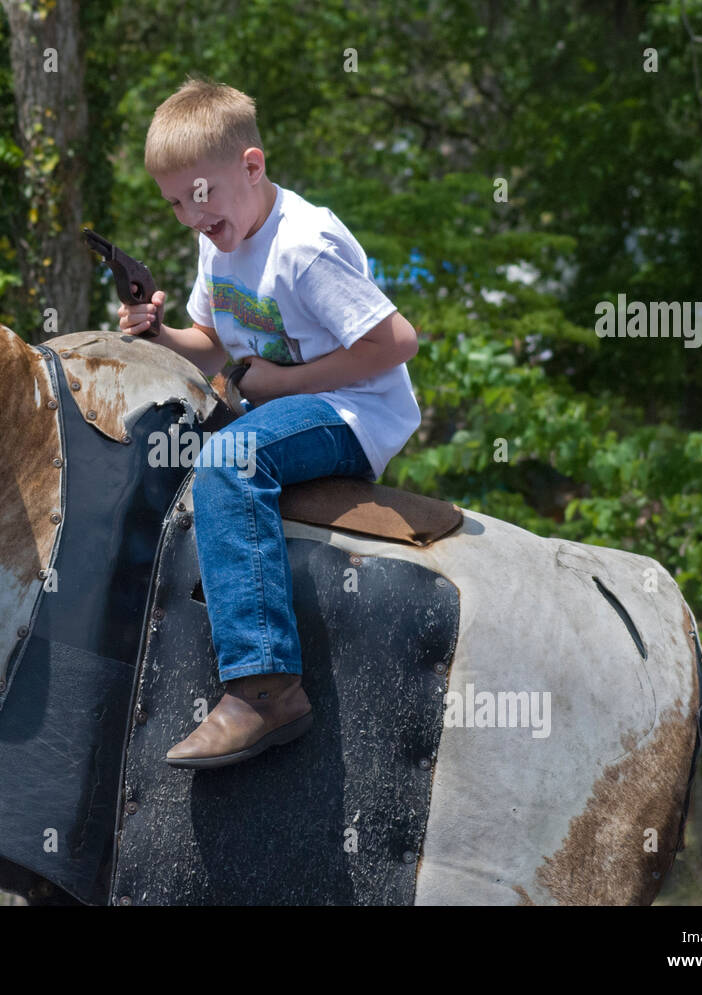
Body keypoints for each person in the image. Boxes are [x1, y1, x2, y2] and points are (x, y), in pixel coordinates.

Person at [118, 77, 423, 769]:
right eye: (173, 203)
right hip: (283, 405)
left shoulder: (302, 246)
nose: (189, 217)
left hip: (353, 412)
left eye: (198, 196)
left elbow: (396, 342)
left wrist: (282, 384)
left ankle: (264, 687)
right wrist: (158, 333)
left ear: (251, 167)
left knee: (231, 460)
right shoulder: (217, 241)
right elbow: (212, 341)